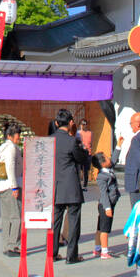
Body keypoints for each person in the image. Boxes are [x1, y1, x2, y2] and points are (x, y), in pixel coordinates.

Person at [50, 109, 89, 264]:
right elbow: (82, 159)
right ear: (71, 122)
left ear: (56, 123)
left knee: (55, 221)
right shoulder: (72, 141)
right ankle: (71, 256)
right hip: (71, 185)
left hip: (55, 185)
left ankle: (52, 253)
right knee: (73, 221)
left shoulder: (50, 140)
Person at [0, 121, 22, 256]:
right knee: (16, 216)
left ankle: (6, 245)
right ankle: (13, 246)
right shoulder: (11, 148)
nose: (19, 137)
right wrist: (14, 187)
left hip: (2, 186)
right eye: (17, 135)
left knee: (6, 217)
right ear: (10, 136)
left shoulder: (2, 147)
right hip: (10, 186)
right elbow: (10, 167)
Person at [93, 151, 119, 259]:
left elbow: (114, 160)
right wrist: (108, 208)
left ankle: (97, 248)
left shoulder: (107, 170)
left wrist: (118, 146)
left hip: (105, 204)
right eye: (107, 158)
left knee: (100, 227)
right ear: (102, 163)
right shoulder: (102, 176)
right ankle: (104, 251)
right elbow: (104, 194)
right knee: (105, 229)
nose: (110, 159)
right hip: (106, 205)